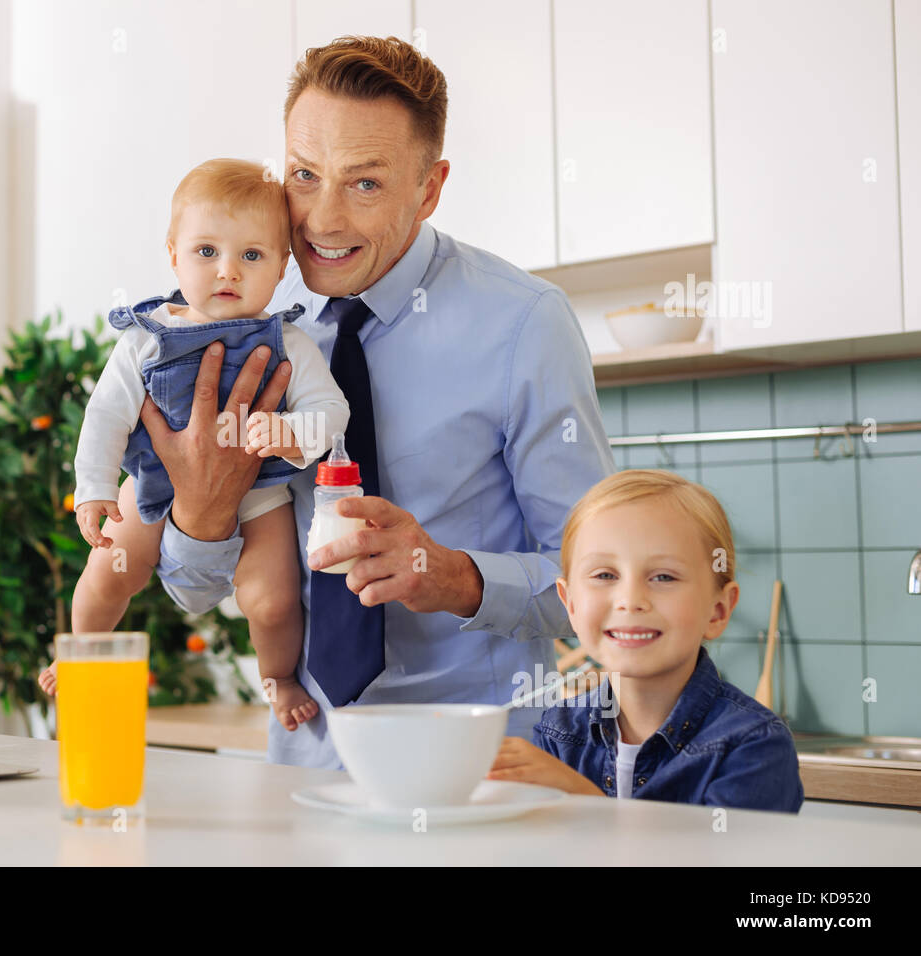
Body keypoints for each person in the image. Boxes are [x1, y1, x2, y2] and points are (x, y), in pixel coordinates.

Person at [138, 36, 617, 769]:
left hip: (481, 771)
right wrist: (199, 514)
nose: (322, 221)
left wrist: (454, 575)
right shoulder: (247, 316)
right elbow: (194, 596)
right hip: (303, 766)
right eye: (304, 176)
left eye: (364, 183)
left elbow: (593, 581)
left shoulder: (524, 324)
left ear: (429, 188)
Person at [38, 159, 349, 733]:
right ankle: (80, 649)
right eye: (207, 252)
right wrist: (95, 488)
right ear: (173, 252)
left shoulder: (290, 340)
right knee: (108, 571)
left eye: (252, 256)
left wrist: (292, 433)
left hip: (261, 490)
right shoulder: (146, 336)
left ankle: (278, 677)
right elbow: (105, 414)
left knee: (273, 601)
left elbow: (333, 411)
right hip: (153, 479)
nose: (228, 270)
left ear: (283, 265)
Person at [488, 470, 804, 813]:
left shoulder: (754, 746)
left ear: (717, 611)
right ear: (572, 606)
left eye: (663, 577)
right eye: (605, 575)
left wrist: (584, 800)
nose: (630, 599)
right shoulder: (558, 730)